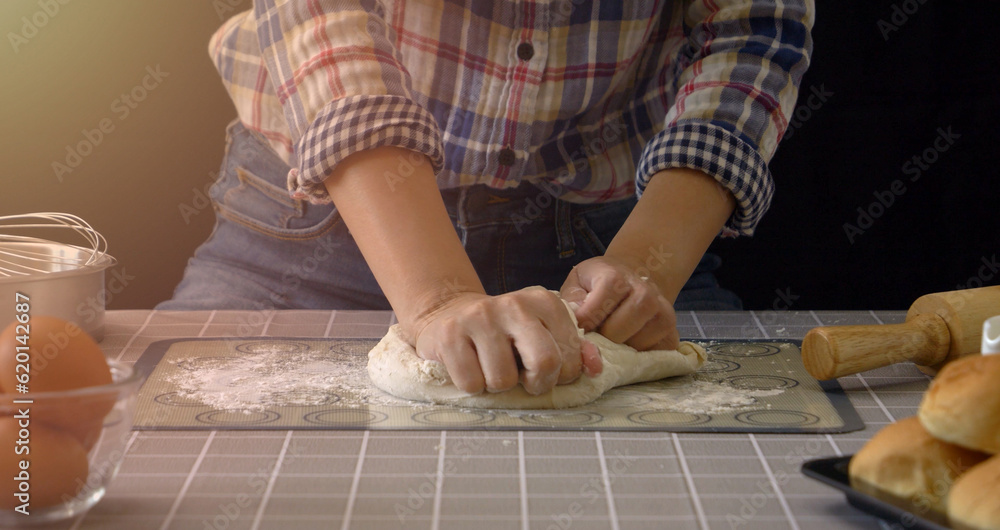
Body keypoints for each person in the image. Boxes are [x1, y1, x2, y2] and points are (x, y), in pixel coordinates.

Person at [158, 0, 814, 397]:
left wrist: (642, 272)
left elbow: (754, 31)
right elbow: (320, 20)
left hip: (617, 232)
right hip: (317, 229)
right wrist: (437, 298)